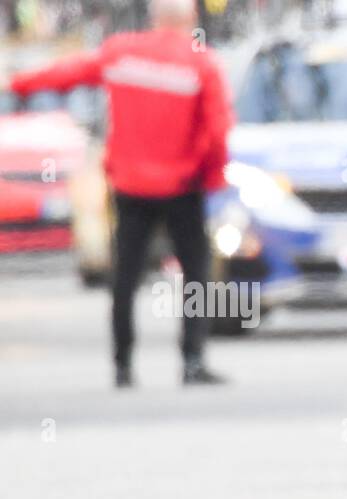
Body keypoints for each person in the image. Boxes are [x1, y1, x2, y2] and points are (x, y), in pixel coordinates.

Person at [6, 0, 231, 387]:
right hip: (182, 186)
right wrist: (209, 176)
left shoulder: (122, 52)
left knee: (125, 277)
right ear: (191, 18)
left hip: (130, 186)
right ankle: (192, 361)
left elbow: (67, 73)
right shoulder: (201, 63)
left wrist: (16, 83)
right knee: (195, 275)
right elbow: (216, 130)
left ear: (153, 17)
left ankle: (123, 364)